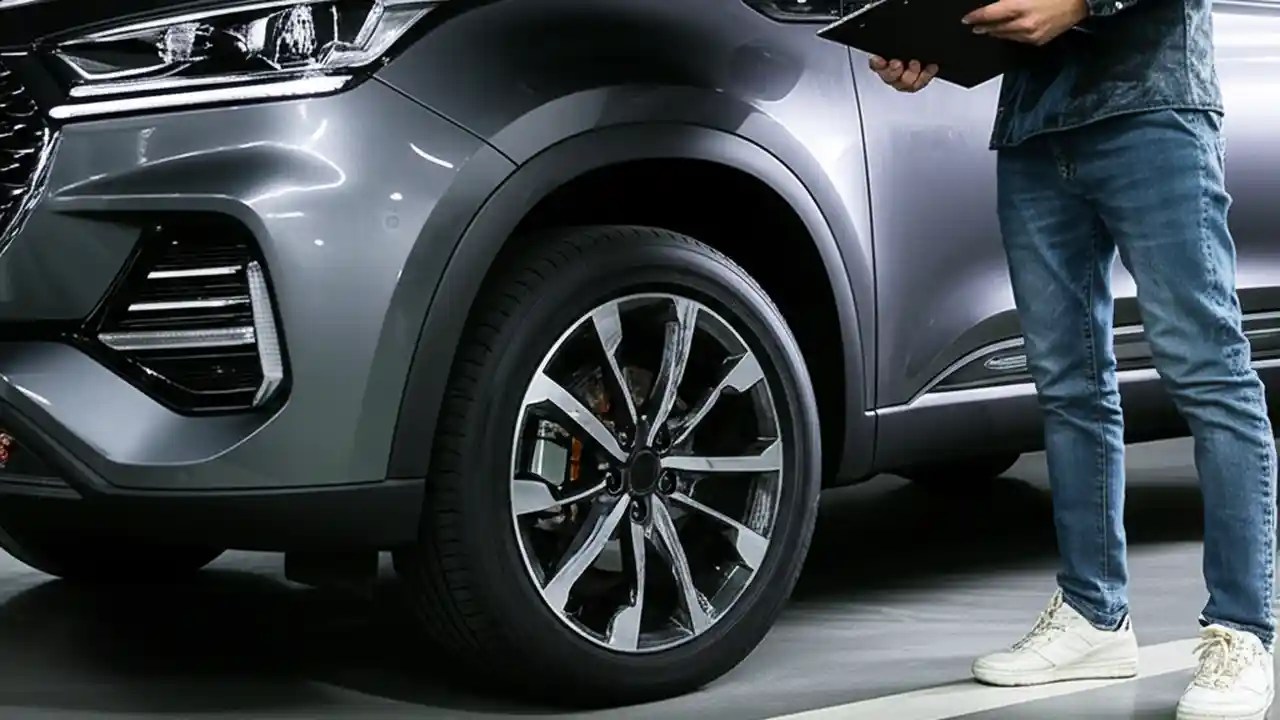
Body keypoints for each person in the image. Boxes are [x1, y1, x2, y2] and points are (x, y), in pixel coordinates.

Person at [869, 0, 1278, 717]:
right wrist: (932, 39)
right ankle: (1094, 615)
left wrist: (1082, 4)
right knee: (1067, 384)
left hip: (1152, 107)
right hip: (1035, 124)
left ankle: (1243, 631)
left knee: (1209, 373)